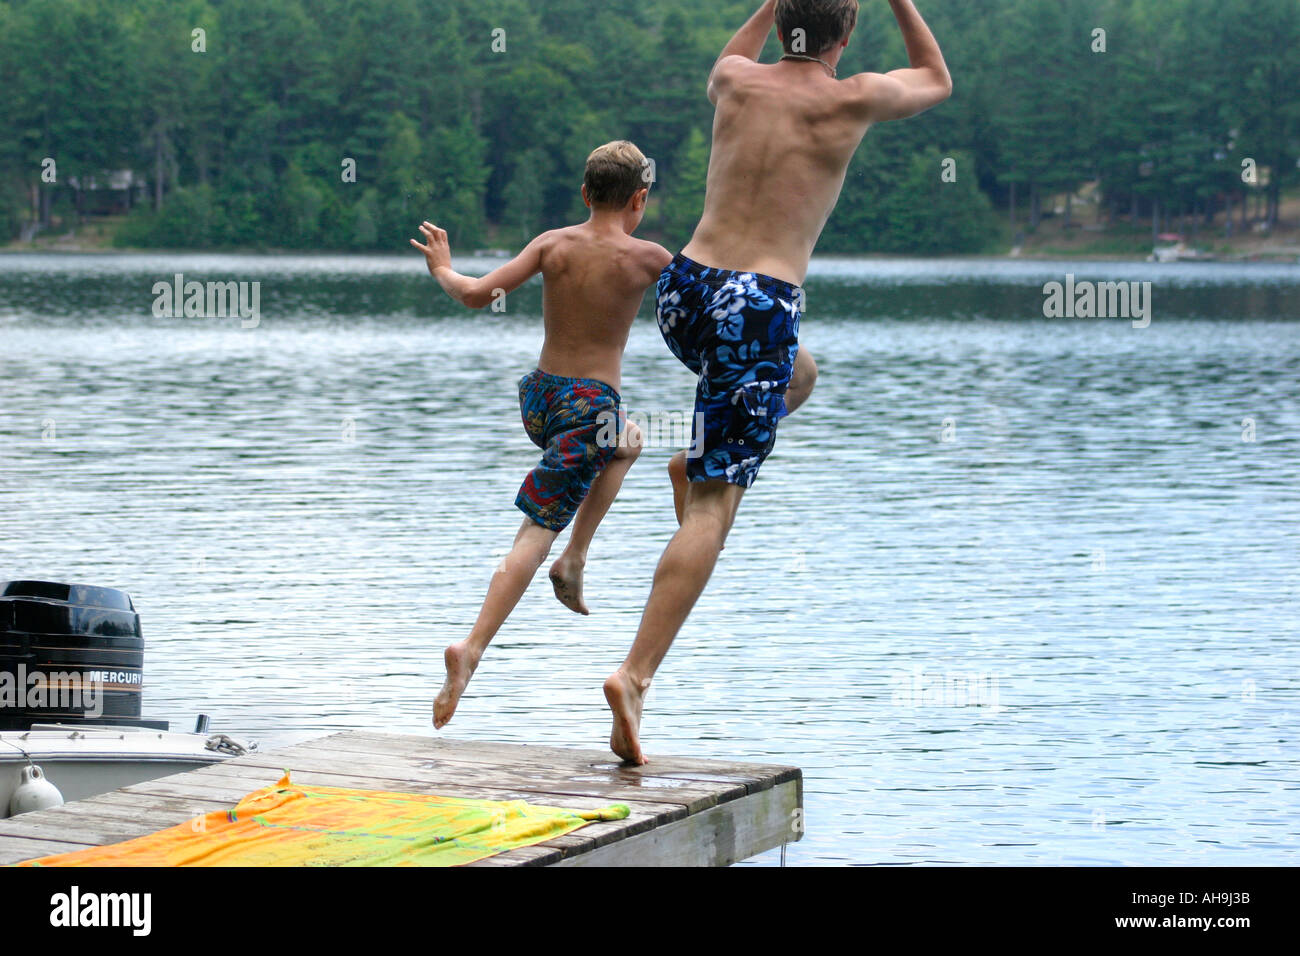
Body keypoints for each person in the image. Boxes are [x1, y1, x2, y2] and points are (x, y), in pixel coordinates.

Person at [604, 0, 953, 763]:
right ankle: (634, 676)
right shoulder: (852, 94)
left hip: (685, 290)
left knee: (803, 375)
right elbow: (936, 78)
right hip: (755, 304)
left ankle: (692, 458)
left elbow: (731, 57)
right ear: (846, 35)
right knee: (714, 510)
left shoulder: (735, 78)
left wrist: (769, 5)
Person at [411, 141, 673, 730]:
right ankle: (472, 647)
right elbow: (701, 310)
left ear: (584, 194)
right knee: (534, 535)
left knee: (626, 440)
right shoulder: (650, 258)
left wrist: (442, 268)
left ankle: (575, 560)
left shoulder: (552, 244)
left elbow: (477, 295)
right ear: (640, 198)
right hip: (586, 407)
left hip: (539, 399)